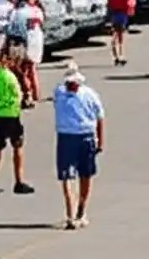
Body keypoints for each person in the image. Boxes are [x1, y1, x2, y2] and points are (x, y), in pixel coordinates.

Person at [53, 63, 105, 230]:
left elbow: (100, 117)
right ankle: (70, 213)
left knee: (85, 174)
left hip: (85, 135)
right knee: (66, 176)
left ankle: (81, 209)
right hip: (66, 135)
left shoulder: (89, 95)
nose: (71, 86)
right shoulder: (60, 93)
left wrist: (100, 140)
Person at [0, 53, 34, 195]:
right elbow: (18, 93)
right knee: (17, 146)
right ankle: (19, 181)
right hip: (11, 114)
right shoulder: (9, 76)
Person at [104, 0, 136, 67]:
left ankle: (119, 55)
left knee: (120, 33)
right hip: (117, 9)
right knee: (117, 33)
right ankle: (118, 55)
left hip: (120, 9)